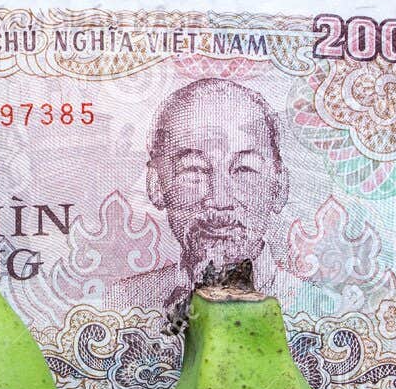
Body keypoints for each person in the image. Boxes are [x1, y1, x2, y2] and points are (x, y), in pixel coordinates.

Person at [114, 77, 291, 317]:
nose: (219, 201)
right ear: (155, 184)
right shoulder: (117, 306)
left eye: (244, 169)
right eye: (194, 169)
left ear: (279, 187)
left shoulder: (322, 308)